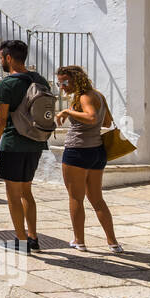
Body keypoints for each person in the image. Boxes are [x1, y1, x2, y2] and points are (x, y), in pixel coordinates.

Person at [0, 40, 50, 253]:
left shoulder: (7, 84)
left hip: (14, 144)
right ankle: (33, 237)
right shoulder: (40, 80)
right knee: (27, 192)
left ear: (8, 58)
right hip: (36, 143)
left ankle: (21, 241)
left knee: (13, 195)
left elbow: (1, 119)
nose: (0, 61)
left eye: (0, 58)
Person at [54, 65, 125, 253]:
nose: (62, 86)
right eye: (59, 83)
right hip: (96, 152)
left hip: (78, 151)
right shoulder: (98, 95)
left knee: (75, 197)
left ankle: (79, 241)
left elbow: (92, 117)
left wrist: (68, 112)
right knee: (97, 199)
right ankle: (113, 242)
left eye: (65, 82)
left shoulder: (84, 97)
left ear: (76, 79)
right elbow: (107, 121)